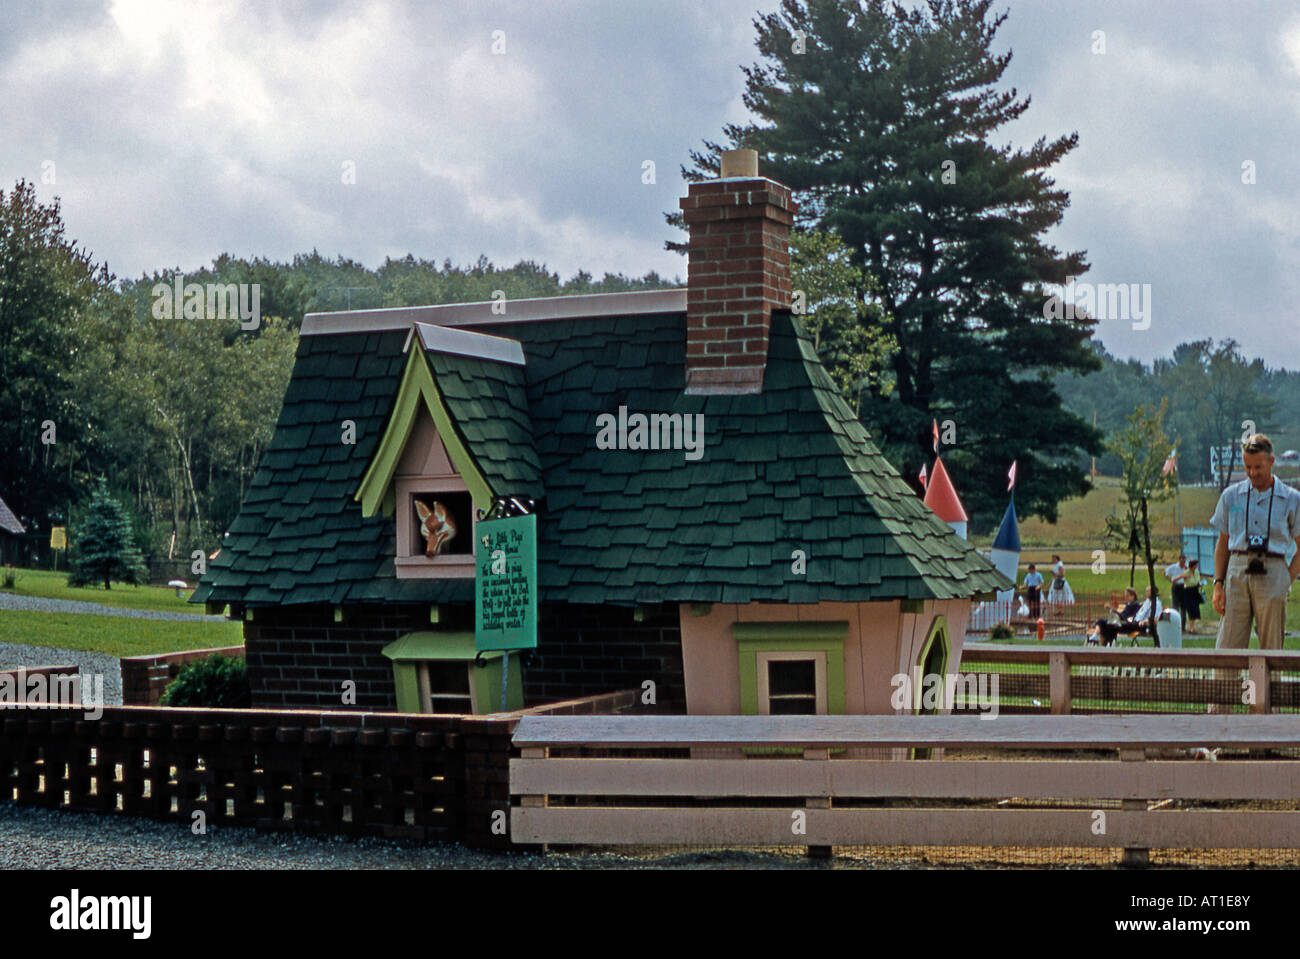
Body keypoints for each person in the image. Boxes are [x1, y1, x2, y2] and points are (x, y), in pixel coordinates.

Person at [1209, 434, 1300, 650]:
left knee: (1271, 645)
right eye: (1248, 467)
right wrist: (1218, 584)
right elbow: (1223, 543)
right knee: (1227, 643)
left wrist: (1287, 578)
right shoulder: (1231, 496)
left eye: (1258, 467)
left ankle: (1269, 684)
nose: (1252, 473)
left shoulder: (1292, 499)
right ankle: (1223, 685)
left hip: (1273, 568)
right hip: (1237, 569)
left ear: (1271, 461)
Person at [1164, 554, 1188, 626]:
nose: (1183, 562)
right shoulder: (1174, 567)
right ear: (1179, 560)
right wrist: (1170, 580)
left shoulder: (1186, 568)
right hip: (1176, 586)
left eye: (1184, 561)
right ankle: (1175, 622)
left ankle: (1183, 625)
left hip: (1184, 586)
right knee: (1176, 605)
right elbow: (1165, 573)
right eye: (1182, 561)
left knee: (1184, 607)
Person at [1183, 559, 1203, 633]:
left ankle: (1192, 627)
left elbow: (1197, 581)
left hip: (1195, 590)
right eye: (1196, 565)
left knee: (1195, 609)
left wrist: (1200, 584)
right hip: (1188, 591)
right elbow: (1183, 579)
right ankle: (1191, 628)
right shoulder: (1186, 572)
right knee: (1190, 609)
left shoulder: (1197, 572)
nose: (1197, 566)